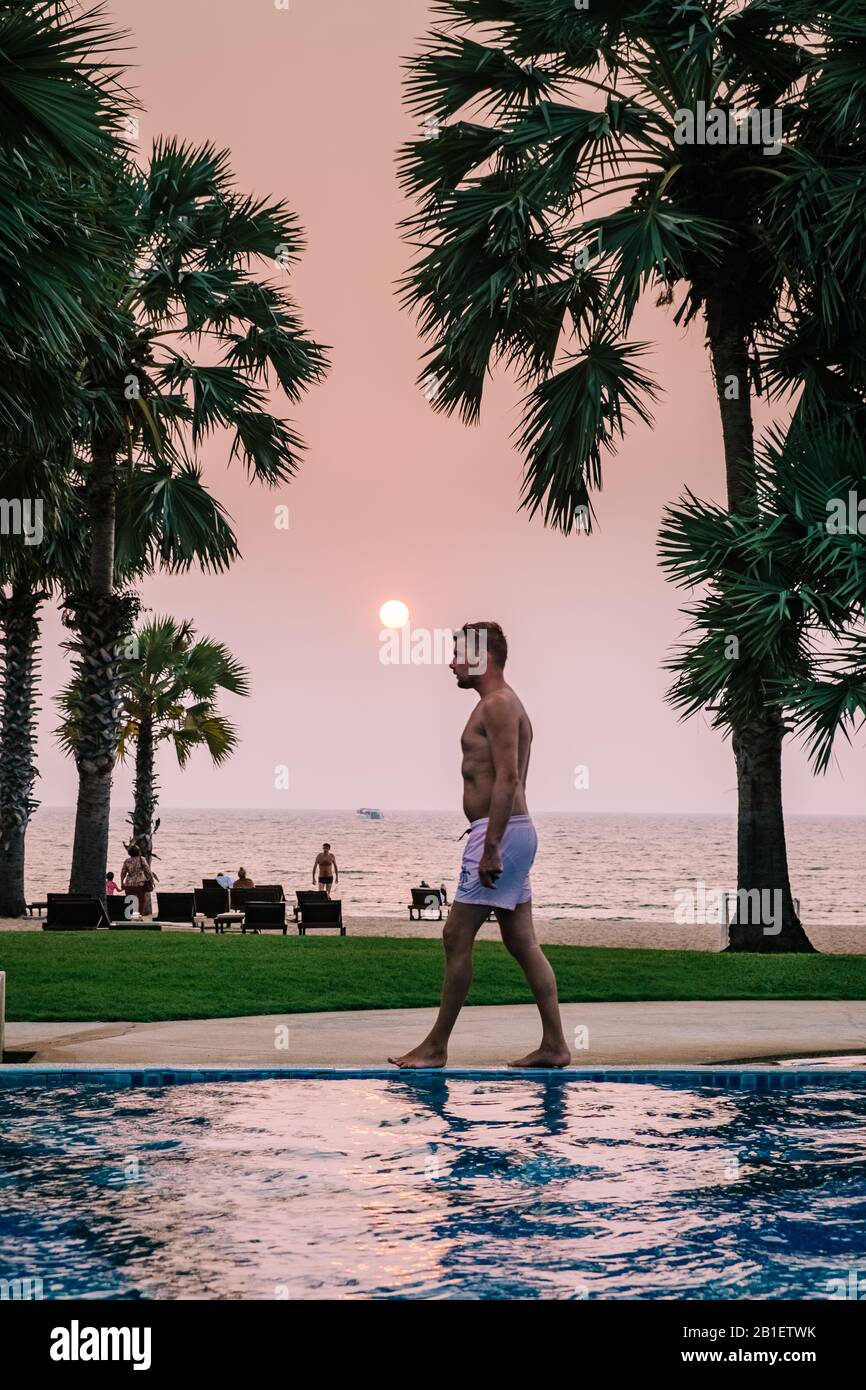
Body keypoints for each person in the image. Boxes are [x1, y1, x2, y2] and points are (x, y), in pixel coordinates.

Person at [389, 621, 571, 1070]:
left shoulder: (499, 704)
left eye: (458, 654)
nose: (451, 663)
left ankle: (436, 1047)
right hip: (508, 831)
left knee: (455, 935)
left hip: (499, 832)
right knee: (522, 941)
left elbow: (508, 778)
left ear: (481, 656)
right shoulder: (499, 704)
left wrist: (490, 846)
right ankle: (554, 1045)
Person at [120, 845, 153, 917]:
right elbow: (148, 871)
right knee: (141, 901)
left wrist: (122, 883)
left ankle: (131, 916)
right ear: (138, 852)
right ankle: (138, 917)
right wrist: (151, 880)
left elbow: (123, 873)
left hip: (129, 885)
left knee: (131, 901)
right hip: (140, 884)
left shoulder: (127, 861)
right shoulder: (142, 859)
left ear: (129, 852)